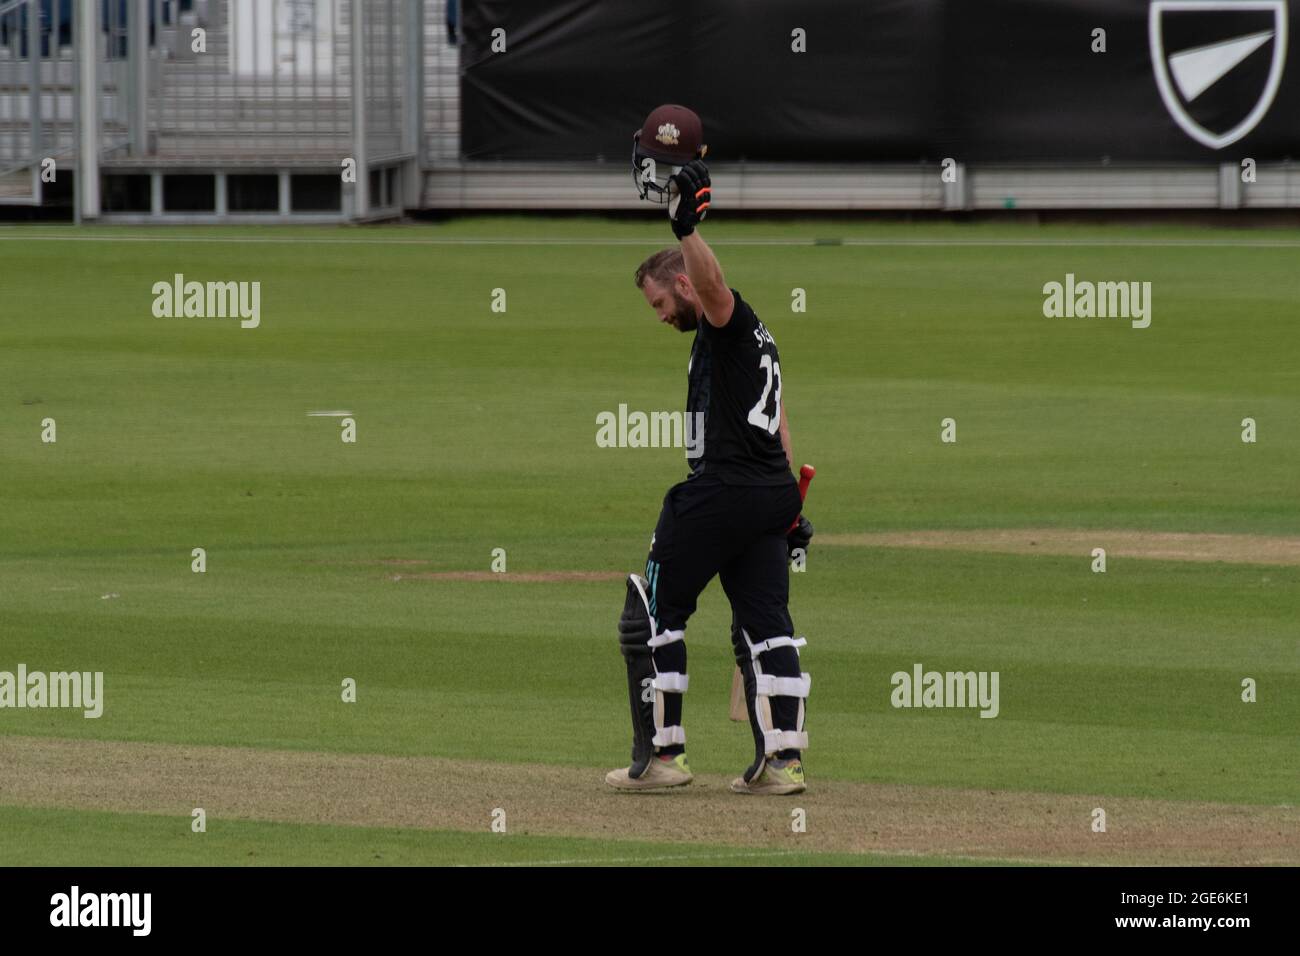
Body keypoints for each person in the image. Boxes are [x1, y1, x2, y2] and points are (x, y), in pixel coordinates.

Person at [606, 157, 813, 796]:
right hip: (766, 492)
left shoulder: (726, 319)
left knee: (650, 615)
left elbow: (715, 288)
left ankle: (662, 759)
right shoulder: (749, 342)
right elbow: (777, 422)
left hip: (719, 491)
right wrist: (791, 513)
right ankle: (783, 765)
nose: (661, 315)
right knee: (764, 622)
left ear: (686, 285)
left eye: (662, 301)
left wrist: (686, 230)